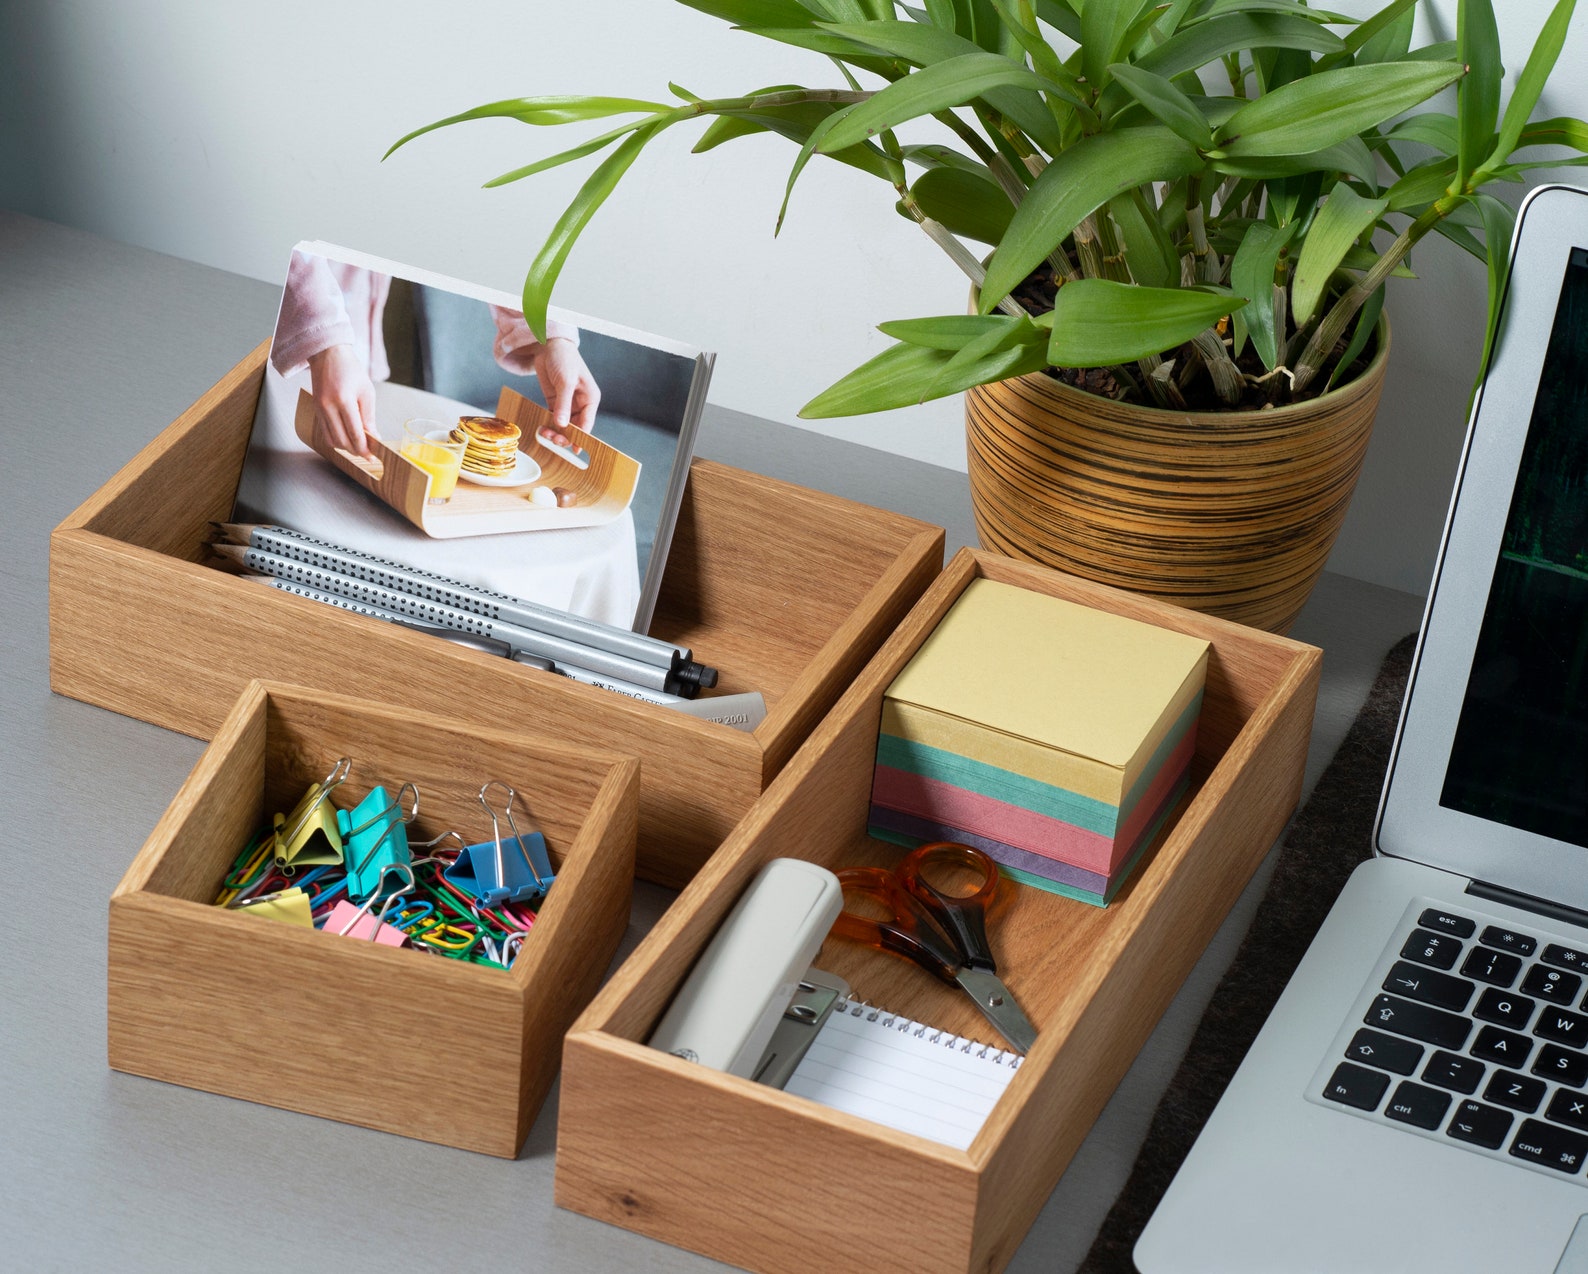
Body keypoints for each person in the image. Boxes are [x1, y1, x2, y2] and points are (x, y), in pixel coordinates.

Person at [270, 252, 600, 456]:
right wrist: (325, 342)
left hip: (353, 363)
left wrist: (548, 334)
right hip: (271, 332)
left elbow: (484, 211)